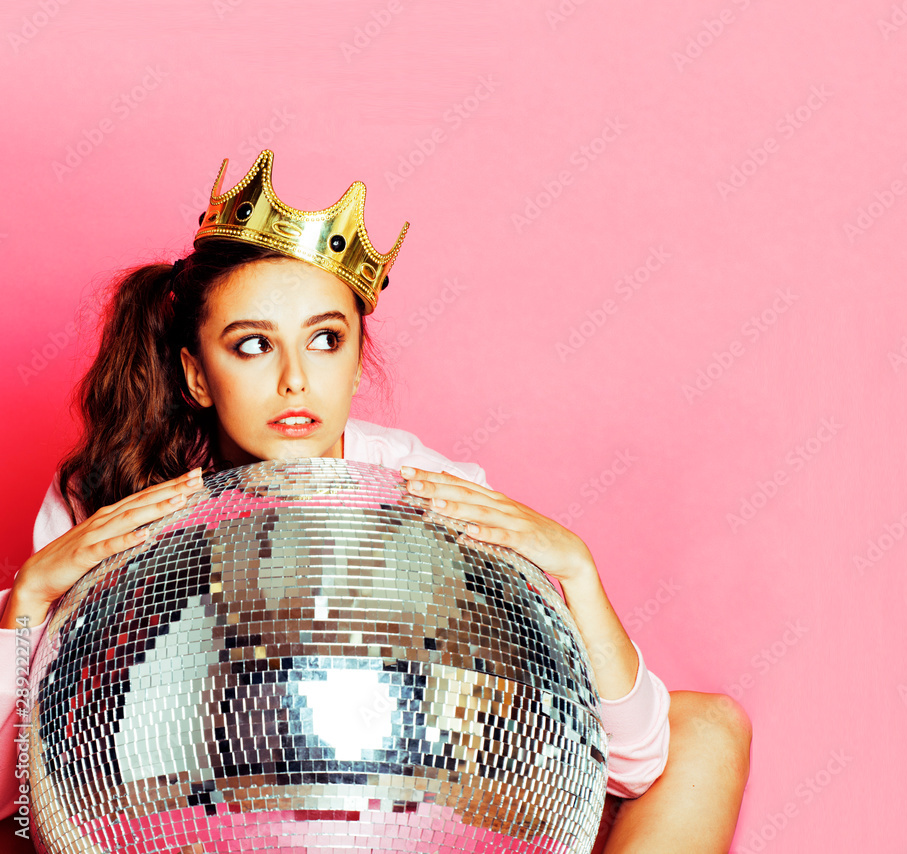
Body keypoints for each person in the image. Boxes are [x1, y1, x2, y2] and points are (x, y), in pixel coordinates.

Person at [0, 150, 751, 853]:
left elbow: (636, 763)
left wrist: (578, 573)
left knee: (708, 730)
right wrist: (31, 592)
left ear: (358, 363)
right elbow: (15, 803)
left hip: (400, 817)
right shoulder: (106, 499)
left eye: (324, 340)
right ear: (198, 376)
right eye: (253, 345)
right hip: (186, 823)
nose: (296, 380)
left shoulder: (424, 487)